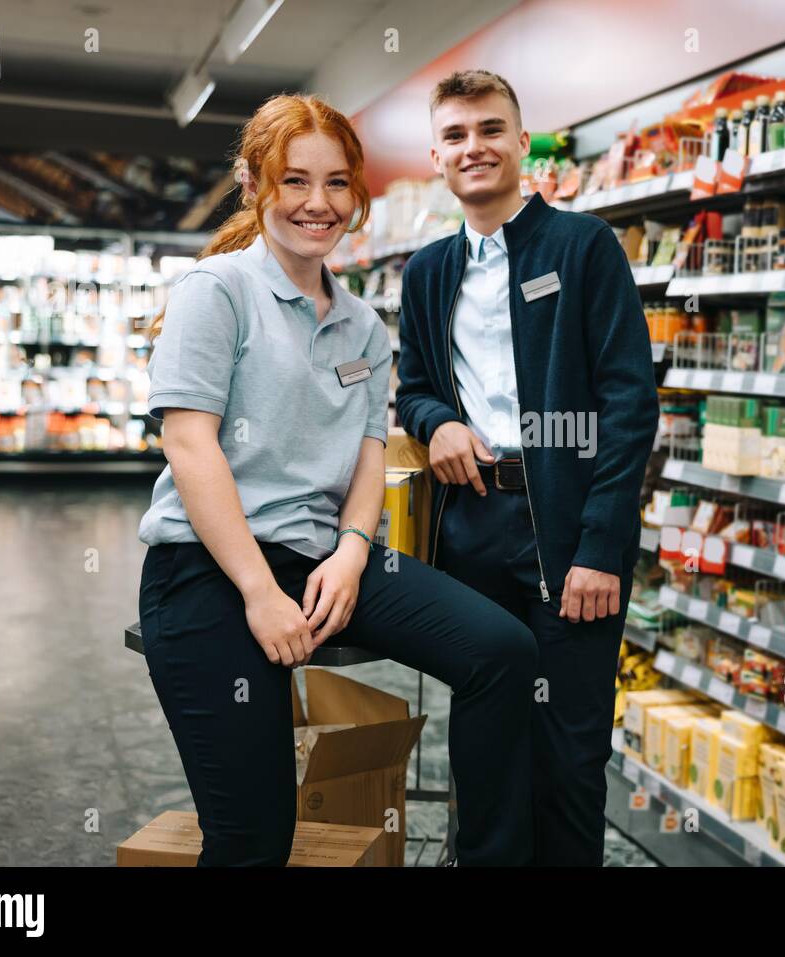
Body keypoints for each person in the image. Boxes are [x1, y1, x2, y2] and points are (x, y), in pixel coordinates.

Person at [137, 93, 536, 867]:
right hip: (210, 569)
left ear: (357, 193)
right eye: (294, 181)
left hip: (324, 560)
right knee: (255, 836)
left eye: (337, 184)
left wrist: (354, 550)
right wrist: (258, 592)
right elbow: (191, 447)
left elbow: (365, 453)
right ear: (254, 185)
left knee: (503, 648)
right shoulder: (216, 291)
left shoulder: (362, 325)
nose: (318, 204)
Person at [396, 70, 659, 865]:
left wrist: (600, 546)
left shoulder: (583, 247)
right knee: (484, 739)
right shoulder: (427, 271)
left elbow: (628, 402)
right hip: (473, 524)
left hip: (566, 529)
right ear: (437, 155)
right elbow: (411, 388)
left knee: (570, 751)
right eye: (455, 135)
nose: (473, 147)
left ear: (519, 141)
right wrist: (436, 420)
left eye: (489, 129)